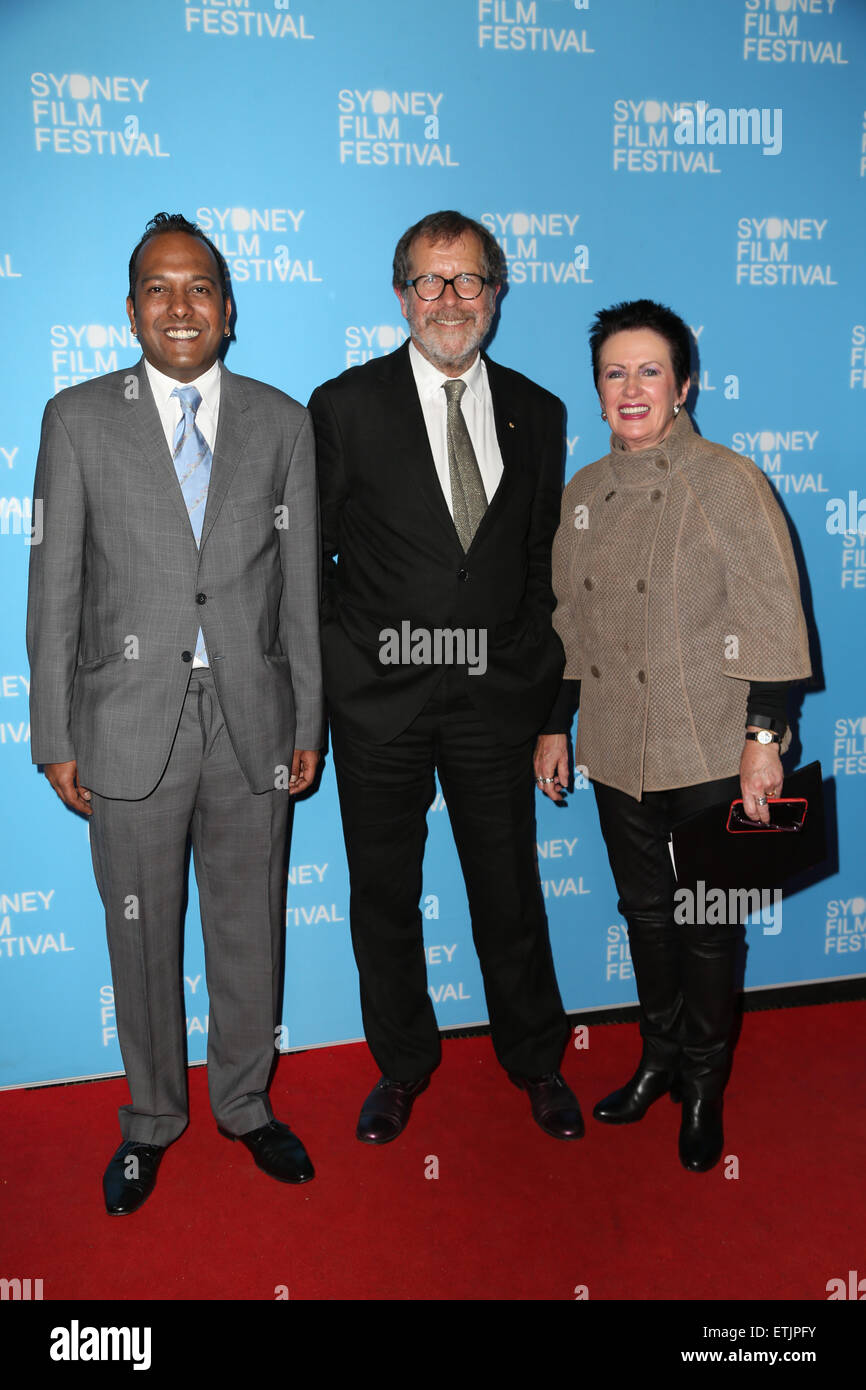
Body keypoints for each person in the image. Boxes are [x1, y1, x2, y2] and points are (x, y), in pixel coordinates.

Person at [26, 213, 323, 1213]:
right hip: (126, 721)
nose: (179, 305)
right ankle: (150, 1122)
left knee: (250, 929)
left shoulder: (283, 423)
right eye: (157, 287)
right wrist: (56, 734)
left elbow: (300, 599)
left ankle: (245, 1103)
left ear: (228, 309)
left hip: (252, 717)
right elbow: (53, 589)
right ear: (130, 309)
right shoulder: (76, 418)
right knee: (140, 937)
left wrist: (306, 725)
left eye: (199, 286)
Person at [309, 209, 581, 1144]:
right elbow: (313, 561)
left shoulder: (539, 413)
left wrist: (552, 708)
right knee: (384, 893)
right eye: (431, 281)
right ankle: (402, 1067)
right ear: (401, 296)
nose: (450, 299)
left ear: (496, 296)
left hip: (496, 700)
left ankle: (537, 1062)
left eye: (470, 280)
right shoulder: (343, 406)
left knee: (508, 892)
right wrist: (341, 674)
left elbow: (547, 568)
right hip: (380, 703)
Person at [535, 299, 811, 1172]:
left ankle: (703, 1082)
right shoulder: (582, 495)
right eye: (614, 373)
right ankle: (656, 1059)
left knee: (706, 925)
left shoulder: (726, 479)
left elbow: (771, 611)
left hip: (710, 748)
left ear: (684, 384)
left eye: (649, 370)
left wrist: (765, 737)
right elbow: (568, 622)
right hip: (617, 749)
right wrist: (555, 724)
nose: (631, 388)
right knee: (645, 916)